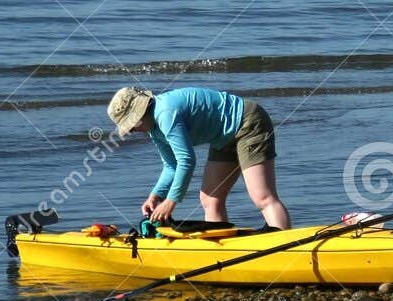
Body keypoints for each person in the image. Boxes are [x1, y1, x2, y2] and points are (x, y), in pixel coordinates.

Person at [106, 85, 290, 228]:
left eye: (130, 125)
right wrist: (156, 195)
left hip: (248, 123)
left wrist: (171, 201)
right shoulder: (153, 129)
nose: (131, 131)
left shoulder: (165, 114)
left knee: (263, 197)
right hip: (223, 137)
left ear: (141, 112)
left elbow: (186, 161)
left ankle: (287, 250)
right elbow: (171, 165)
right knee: (210, 200)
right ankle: (220, 254)